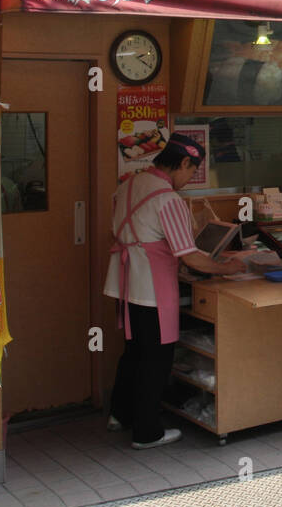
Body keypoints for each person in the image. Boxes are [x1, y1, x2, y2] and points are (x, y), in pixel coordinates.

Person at [103, 136, 243, 449]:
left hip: (127, 284)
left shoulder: (128, 186)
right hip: (152, 287)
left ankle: (119, 415)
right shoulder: (168, 199)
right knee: (156, 358)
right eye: (191, 172)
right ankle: (147, 432)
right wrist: (229, 268)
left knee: (134, 352)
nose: (188, 180)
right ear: (183, 164)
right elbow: (191, 256)